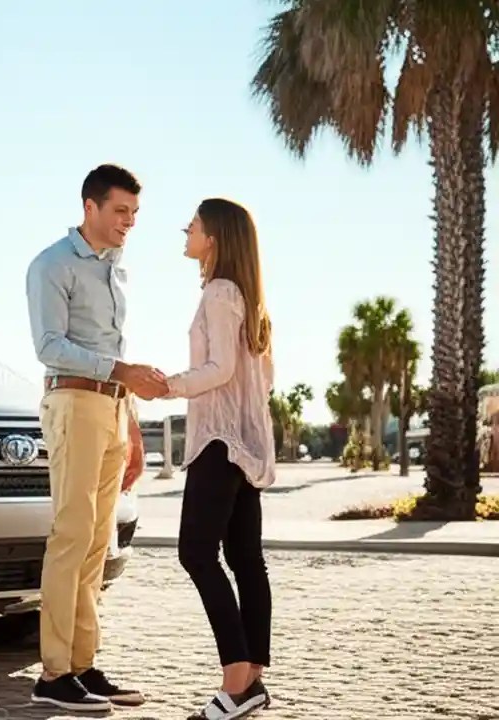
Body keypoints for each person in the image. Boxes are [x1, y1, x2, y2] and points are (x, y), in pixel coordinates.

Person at [24, 163, 167, 713]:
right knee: (71, 534)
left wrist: (129, 423)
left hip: (110, 410)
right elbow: (49, 346)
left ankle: (83, 665)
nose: (129, 222)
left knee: (96, 541)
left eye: (134, 213)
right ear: (90, 207)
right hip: (73, 404)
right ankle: (54, 673)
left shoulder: (117, 269)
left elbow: (116, 353)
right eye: (120, 211)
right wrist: (121, 372)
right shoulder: (52, 265)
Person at [161, 198, 276, 720]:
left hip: (219, 443)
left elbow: (221, 368)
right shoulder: (248, 298)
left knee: (197, 554)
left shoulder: (220, 291)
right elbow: (261, 379)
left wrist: (169, 387)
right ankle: (250, 679)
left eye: (195, 223)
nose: (186, 228)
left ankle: (236, 679)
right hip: (244, 444)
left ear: (216, 237)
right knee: (246, 559)